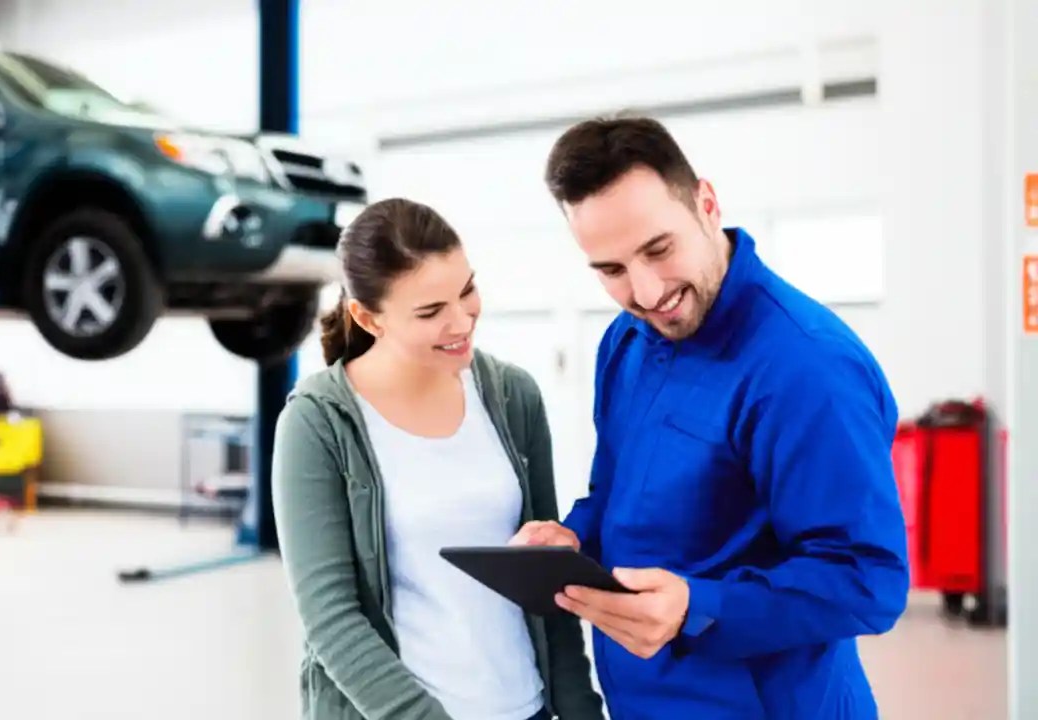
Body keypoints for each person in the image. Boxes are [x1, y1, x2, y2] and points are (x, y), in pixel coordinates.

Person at [512, 116, 910, 718]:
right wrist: (574, 538)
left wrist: (696, 606)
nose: (646, 293)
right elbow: (616, 495)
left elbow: (868, 579)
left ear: (706, 203)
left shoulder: (806, 369)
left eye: (658, 249)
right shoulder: (626, 343)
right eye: (612, 271)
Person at [272, 198, 605, 720]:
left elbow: (549, 586)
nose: (461, 321)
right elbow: (331, 619)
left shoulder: (513, 396)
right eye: (430, 312)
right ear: (367, 317)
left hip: (526, 707)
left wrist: (582, 710)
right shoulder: (319, 421)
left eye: (467, 290)